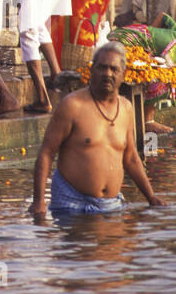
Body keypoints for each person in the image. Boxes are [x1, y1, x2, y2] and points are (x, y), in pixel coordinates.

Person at [30, 44, 164, 218]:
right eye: (102, 67)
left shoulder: (126, 108)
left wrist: (151, 197)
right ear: (92, 70)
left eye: (113, 69)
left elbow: (130, 158)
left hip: (111, 204)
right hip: (71, 203)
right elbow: (47, 153)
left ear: (123, 74)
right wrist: (38, 202)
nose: (107, 73)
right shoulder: (72, 105)